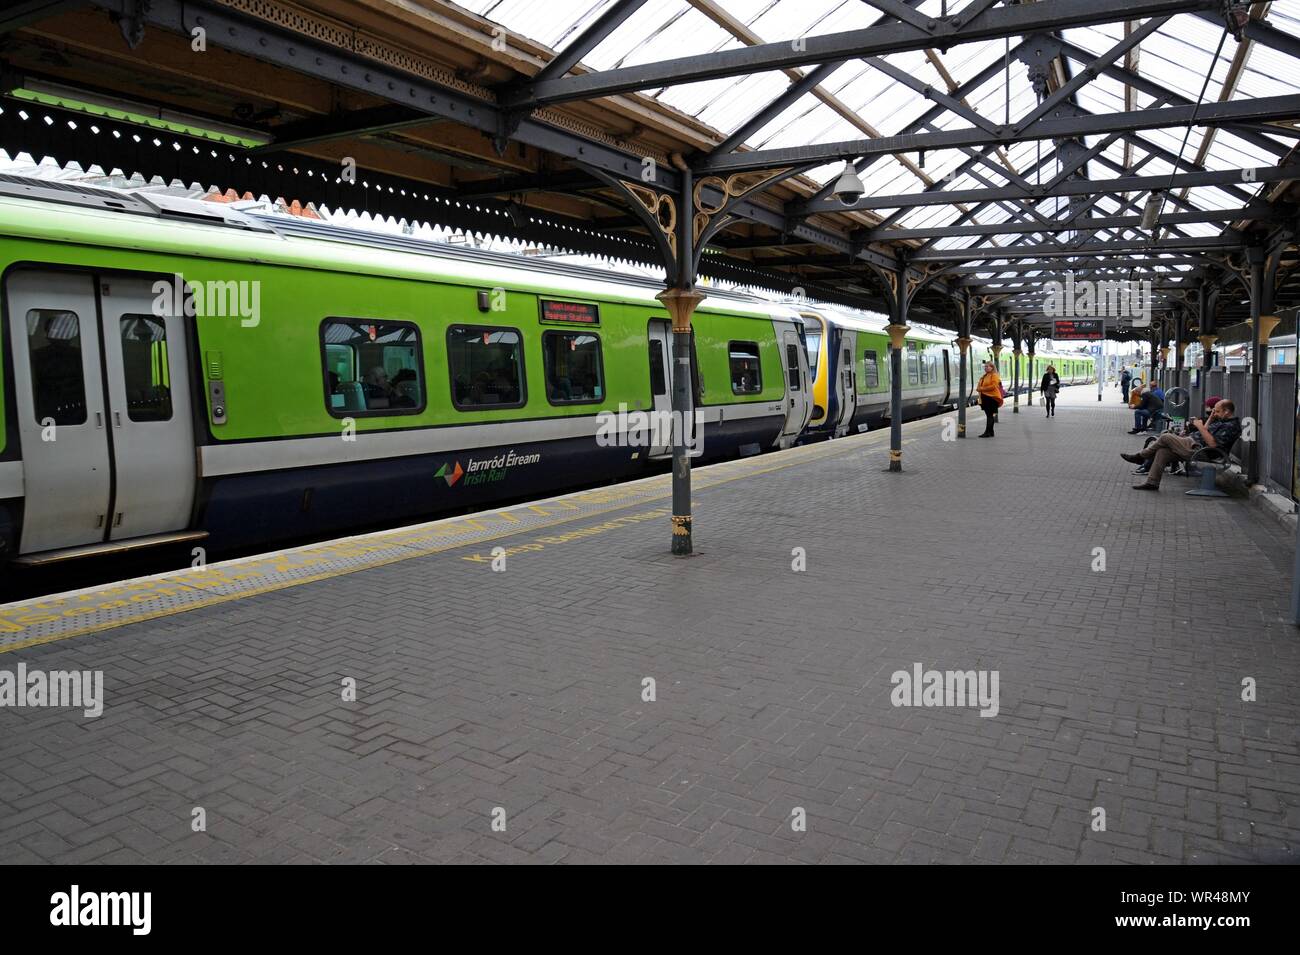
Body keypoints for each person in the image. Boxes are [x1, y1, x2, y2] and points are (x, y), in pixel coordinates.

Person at [1121, 399, 1242, 491]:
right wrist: (1210, 419)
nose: (1214, 413)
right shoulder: (1222, 420)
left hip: (1201, 451)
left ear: (1227, 411)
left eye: (1217, 411)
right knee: (1163, 452)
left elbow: (1212, 444)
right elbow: (1205, 432)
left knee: (1165, 437)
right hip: (1193, 444)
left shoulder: (1231, 426)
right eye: (1214, 411)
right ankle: (1152, 483)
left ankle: (1141, 457)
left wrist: (1199, 426)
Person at [976, 360, 1004, 437]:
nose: (985, 368)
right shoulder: (985, 376)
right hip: (985, 398)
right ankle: (991, 432)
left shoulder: (994, 375)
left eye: (987, 366)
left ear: (992, 367)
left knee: (989, 415)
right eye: (985, 366)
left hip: (991, 398)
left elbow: (994, 386)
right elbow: (980, 384)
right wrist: (979, 388)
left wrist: (981, 389)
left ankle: (988, 432)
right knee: (989, 415)